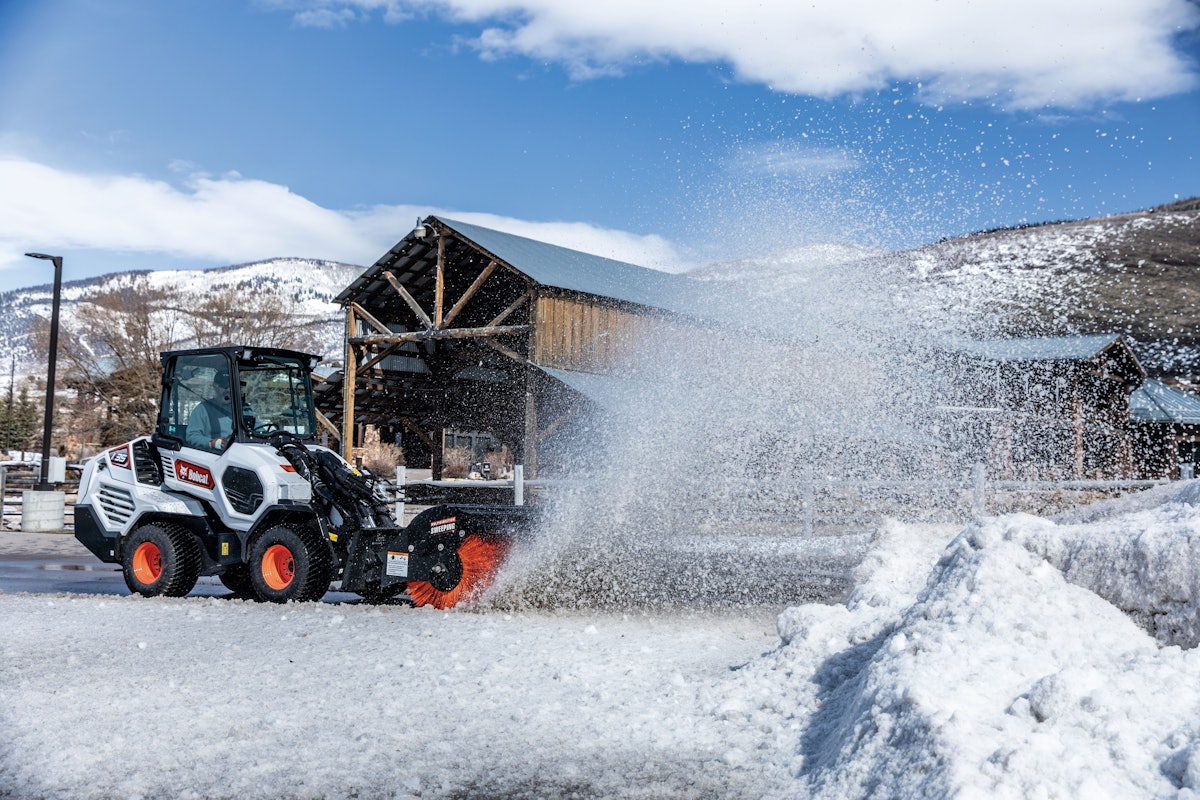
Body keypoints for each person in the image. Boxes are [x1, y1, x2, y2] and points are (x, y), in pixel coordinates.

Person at [186, 369, 234, 452]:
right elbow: (192, 436)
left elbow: (258, 429)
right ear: (215, 386)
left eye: (231, 387)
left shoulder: (244, 409)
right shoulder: (202, 410)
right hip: (215, 454)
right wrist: (211, 443)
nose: (228, 390)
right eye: (225, 386)